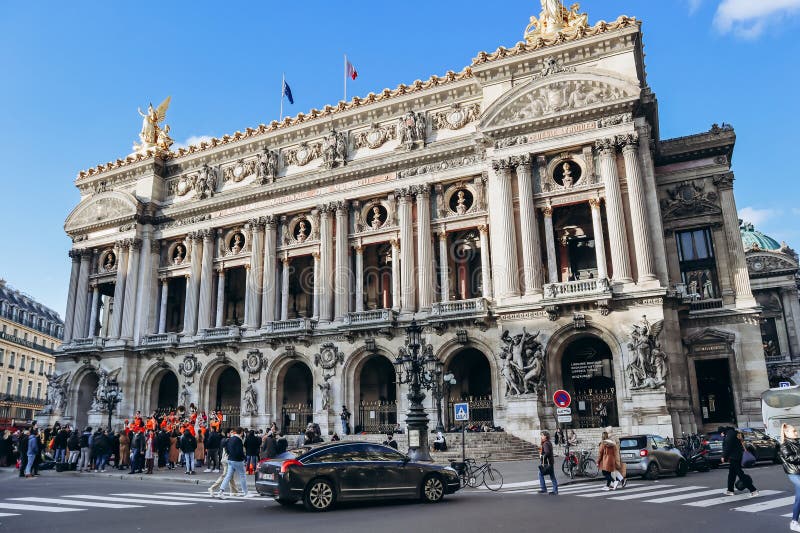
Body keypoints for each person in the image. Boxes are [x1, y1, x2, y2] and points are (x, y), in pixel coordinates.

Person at [720, 426, 758, 496]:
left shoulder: (729, 435)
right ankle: (730, 490)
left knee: (740, 474)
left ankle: (753, 490)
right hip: (737, 456)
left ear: (723, 432)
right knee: (731, 474)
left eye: (721, 433)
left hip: (734, 457)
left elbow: (728, 446)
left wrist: (723, 456)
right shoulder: (736, 433)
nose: (721, 435)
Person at [779, 423, 800, 532]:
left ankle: (794, 521)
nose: (796, 432)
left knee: (799, 497)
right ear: (786, 433)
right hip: (793, 473)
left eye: (796, 430)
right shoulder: (784, 445)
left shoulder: (798, 442)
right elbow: (791, 458)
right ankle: (794, 522)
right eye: (794, 431)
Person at [216, 427, 247, 499]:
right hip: (237, 460)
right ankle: (245, 492)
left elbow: (227, 448)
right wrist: (244, 458)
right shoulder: (238, 439)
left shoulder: (230, 439)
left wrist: (230, 454)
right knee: (242, 475)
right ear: (241, 432)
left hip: (230, 459)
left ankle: (221, 491)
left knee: (228, 476)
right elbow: (240, 451)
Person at [209, 430, 240, 498]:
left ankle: (234, 491)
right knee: (225, 475)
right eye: (232, 433)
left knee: (230, 476)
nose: (233, 434)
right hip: (227, 460)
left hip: (225, 459)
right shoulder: (228, 440)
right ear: (228, 433)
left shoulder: (225, 440)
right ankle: (212, 488)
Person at [537, 431, 558, 495]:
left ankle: (544, 489)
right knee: (552, 476)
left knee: (540, 474)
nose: (541, 436)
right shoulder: (548, 442)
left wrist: (542, 456)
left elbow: (547, 452)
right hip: (550, 462)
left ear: (545, 436)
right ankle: (555, 490)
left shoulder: (545, 443)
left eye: (542, 435)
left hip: (547, 462)